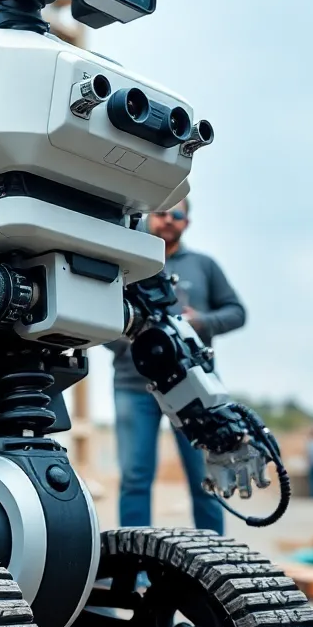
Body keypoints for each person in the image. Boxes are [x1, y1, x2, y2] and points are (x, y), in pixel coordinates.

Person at [110, 196, 246, 535]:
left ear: (188, 221)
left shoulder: (204, 266)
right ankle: (135, 570)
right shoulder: (127, 263)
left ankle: (217, 562)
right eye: (161, 212)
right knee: (135, 477)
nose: (168, 219)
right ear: (148, 217)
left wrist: (201, 323)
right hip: (134, 384)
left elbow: (237, 312)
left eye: (177, 214)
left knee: (205, 475)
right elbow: (98, 312)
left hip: (192, 388)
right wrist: (127, 342)